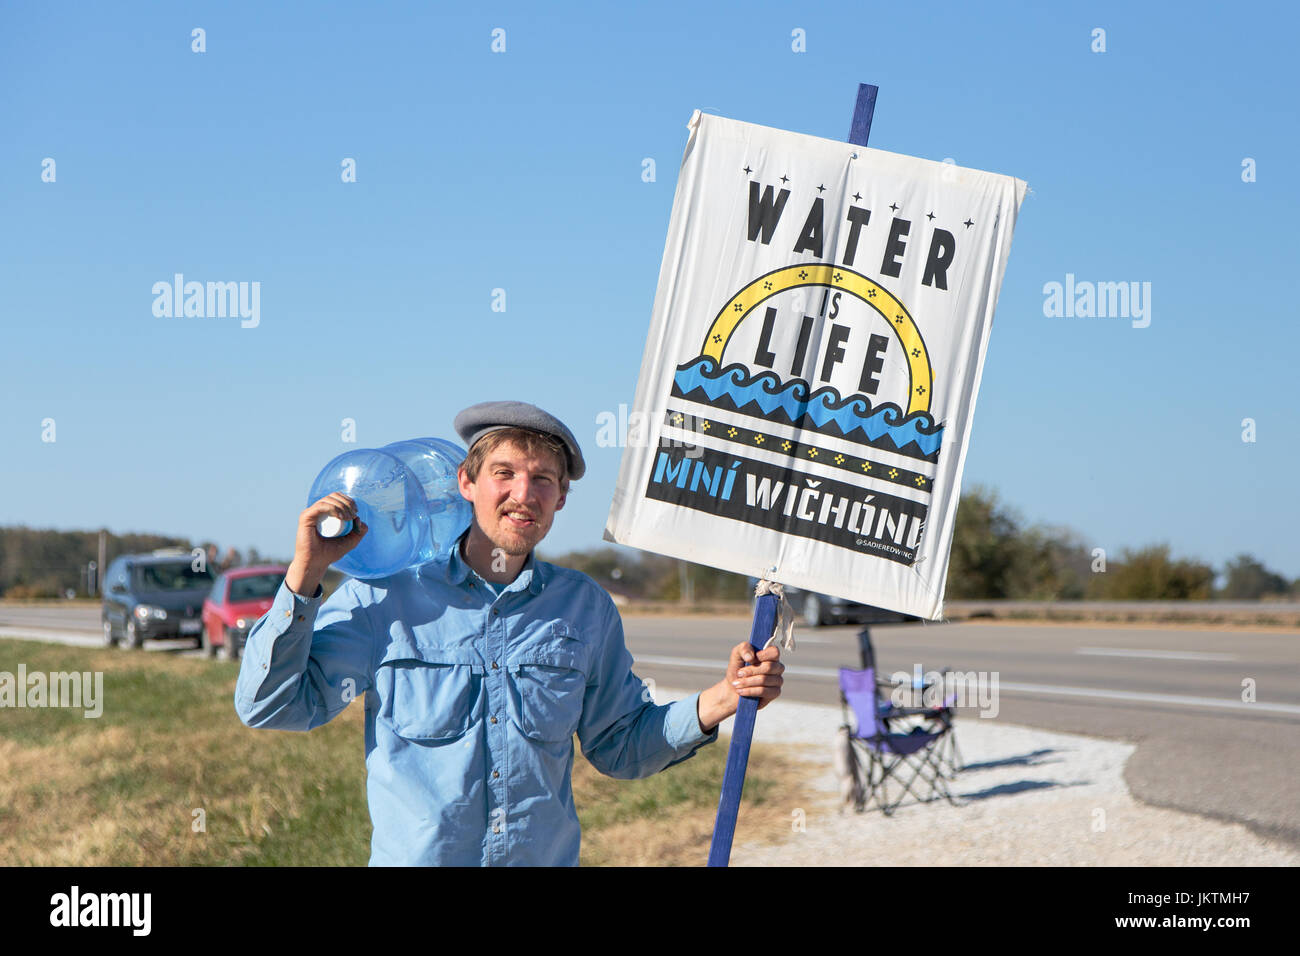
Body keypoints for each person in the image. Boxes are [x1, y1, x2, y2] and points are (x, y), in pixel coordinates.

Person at [234, 400, 784, 865]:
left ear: (561, 498)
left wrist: (724, 697)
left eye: (543, 478)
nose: (524, 494)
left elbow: (619, 746)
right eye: (505, 473)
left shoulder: (584, 609)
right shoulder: (383, 601)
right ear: (466, 483)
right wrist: (305, 574)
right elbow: (271, 706)